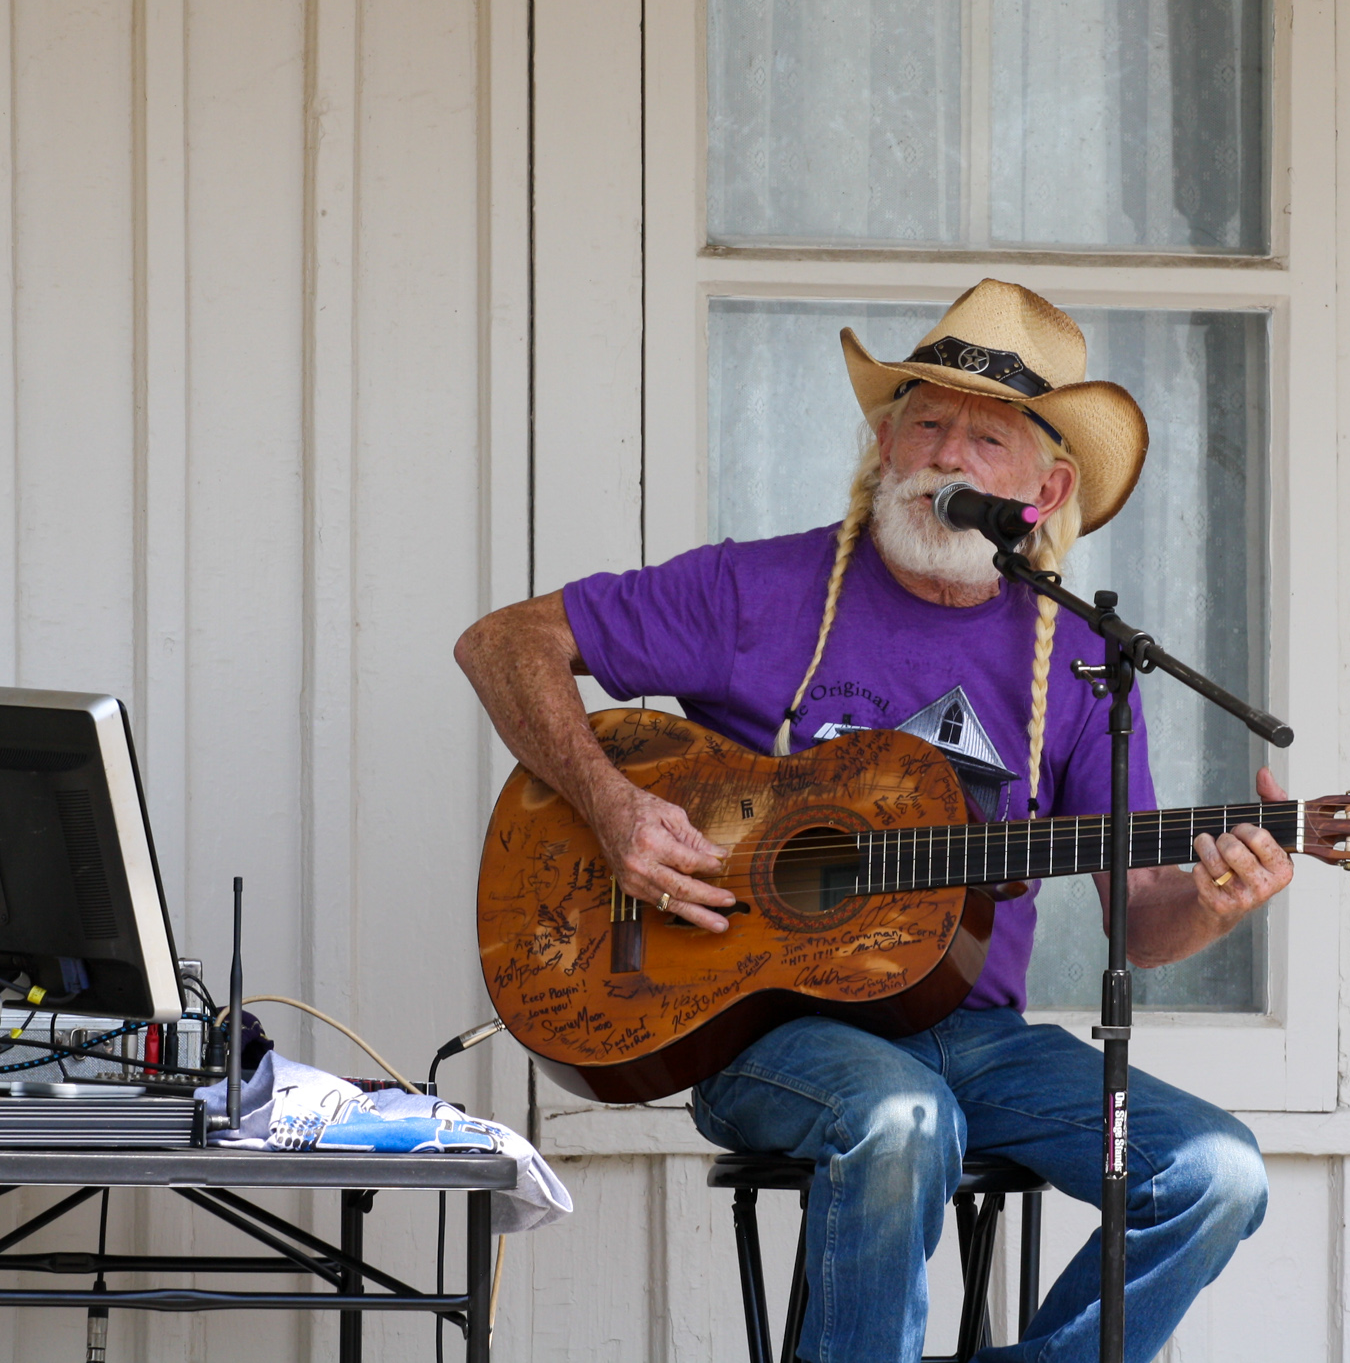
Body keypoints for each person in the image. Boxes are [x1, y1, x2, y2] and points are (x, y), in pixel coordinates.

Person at [455, 279, 1294, 1362]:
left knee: (1216, 1172)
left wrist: (1216, 900)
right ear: (884, 439)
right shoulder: (755, 590)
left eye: (985, 439)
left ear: (1045, 488)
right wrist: (612, 806)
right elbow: (502, 643)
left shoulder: (1084, 660)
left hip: (978, 1038)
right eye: (925, 421)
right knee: (902, 1118)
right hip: (768, 1031)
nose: (944, 456)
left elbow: (1141, 916)